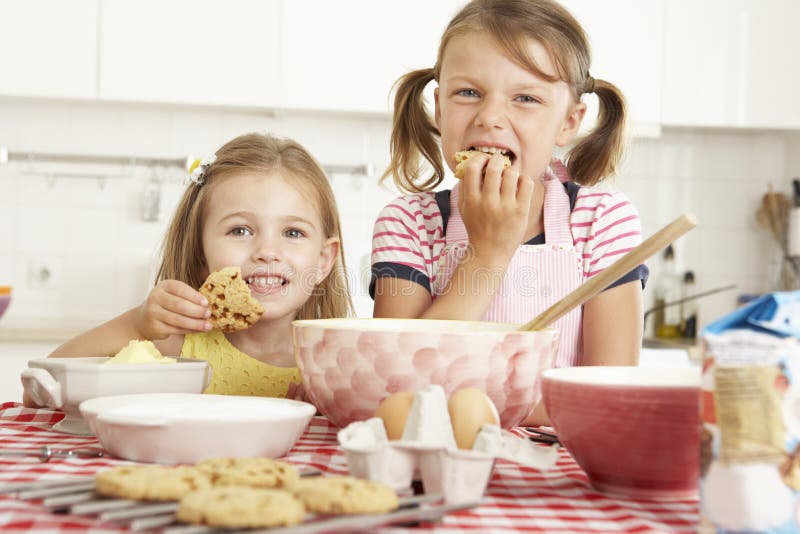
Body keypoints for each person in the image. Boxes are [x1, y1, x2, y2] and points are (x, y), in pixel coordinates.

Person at [370, 0, 648, 424]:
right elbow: (399, 384)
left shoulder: (601, 221)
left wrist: (476, 412)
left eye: (525, 98)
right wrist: (487, 255)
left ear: (568, 122)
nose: (490, 117)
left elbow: (607, 397)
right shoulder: (409, 223)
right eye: (468, 93)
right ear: (439, 107)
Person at [44, 132, 353, 399]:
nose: (267, 252)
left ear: (324, 259)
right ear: (200, 256)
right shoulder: (176, 348)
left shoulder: (341, 362)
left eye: (293, 233)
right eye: (240, 231)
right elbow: (47, 382)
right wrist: (136, 325)